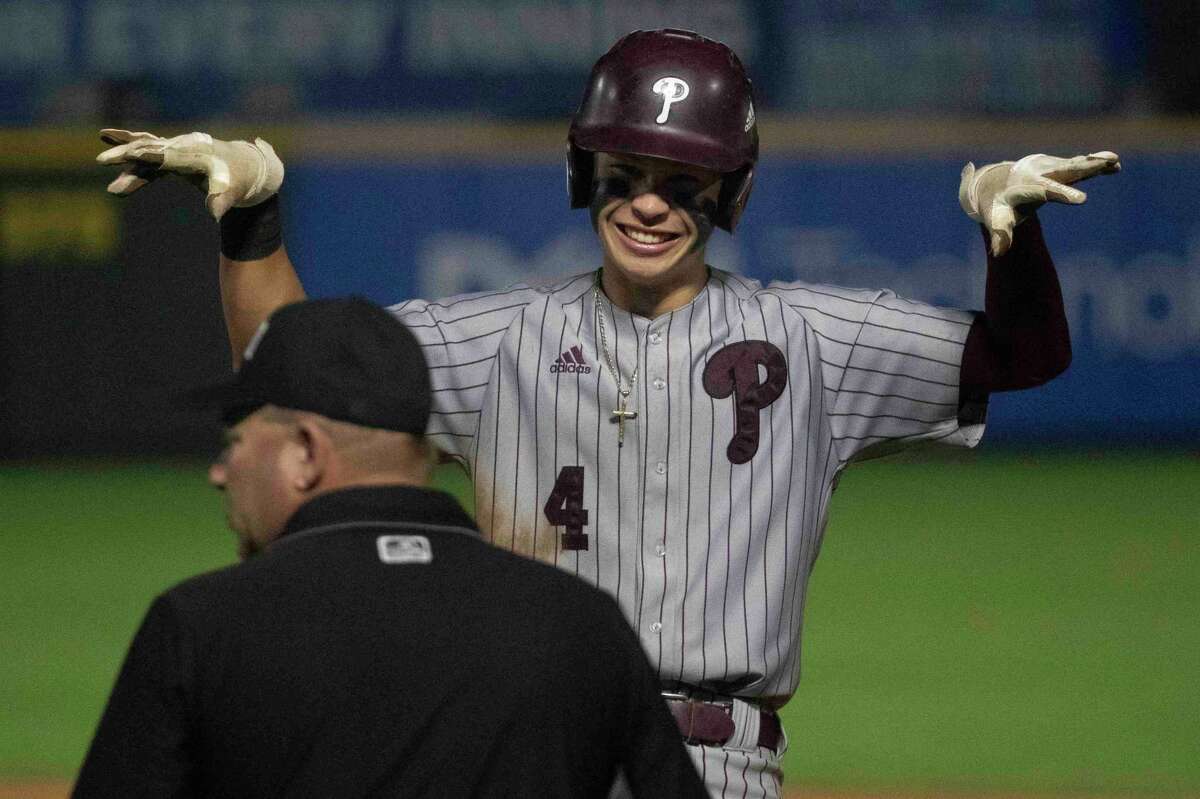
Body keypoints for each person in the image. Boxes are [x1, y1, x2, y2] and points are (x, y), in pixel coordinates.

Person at [95, 28, 1120, 797]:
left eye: (684, 181)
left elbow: (1025, 355)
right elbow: (295, 376)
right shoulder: (500, 338)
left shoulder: (813, 339)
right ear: (587, 172)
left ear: (729, 193)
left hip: (721, 764)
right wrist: (251, 218)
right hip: (530, 748)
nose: (649, 204)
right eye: (626, 175)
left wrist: (1012, 241)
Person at [72, 297, 707, 798]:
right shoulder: (581, 621)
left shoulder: (200, 625)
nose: (219, 471)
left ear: (305, 452)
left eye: (235, 442)